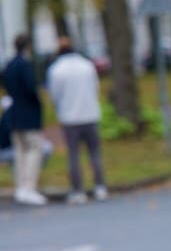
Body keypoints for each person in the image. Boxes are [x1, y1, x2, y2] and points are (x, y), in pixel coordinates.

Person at [47, 37, 108, 205]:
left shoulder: (56, 70)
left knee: (73, 154)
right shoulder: (87, 65)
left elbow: (55, 95)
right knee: (94, 152)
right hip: (90, 114)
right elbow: (96, 87)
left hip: (70, 117)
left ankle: (78, 190)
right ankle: (100, 186)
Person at [3, 34, 48, 205]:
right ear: (27, 46)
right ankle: (29, 187)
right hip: (28, 114)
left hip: (14, 114)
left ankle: (21, 187)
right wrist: (38, 103)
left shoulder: (10, 64)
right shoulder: (24, 64)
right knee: (34, 150)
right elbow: (31, 88)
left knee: (20, 151)